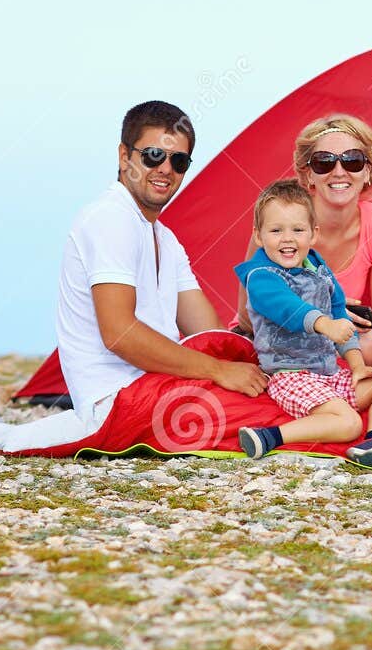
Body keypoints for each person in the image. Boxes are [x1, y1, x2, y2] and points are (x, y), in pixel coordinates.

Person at [56, 100, 267, 434]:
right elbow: (120, 334)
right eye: (153, 155)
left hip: (158, 386)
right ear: (124, 157)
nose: (166, 169)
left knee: (289, 394)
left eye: (179, 160)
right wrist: (219, 371)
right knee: (271, 418)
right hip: (116, 402)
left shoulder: (163, 238)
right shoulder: (110, 218)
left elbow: (208, 333)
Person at [234, 180, 372, 471]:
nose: (287, 239)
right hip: (291, 374)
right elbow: (287, 308)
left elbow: (340, 312)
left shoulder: (317, 268)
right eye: (276, 231)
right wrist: (325, 324)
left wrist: (357, 366)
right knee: (349, 423)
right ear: (259, 236)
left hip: (327, 373)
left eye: (298, 230)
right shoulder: (261, 275)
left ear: (313, 235)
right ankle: (268, 436)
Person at [235, 114, 372, 386]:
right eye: (324, 162)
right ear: (308, 174)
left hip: (331, 348)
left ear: (367, 171)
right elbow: (247, 316)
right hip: (272, 344)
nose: (339, 172)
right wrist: (323, 314)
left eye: (352, 160)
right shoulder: (281, 224)